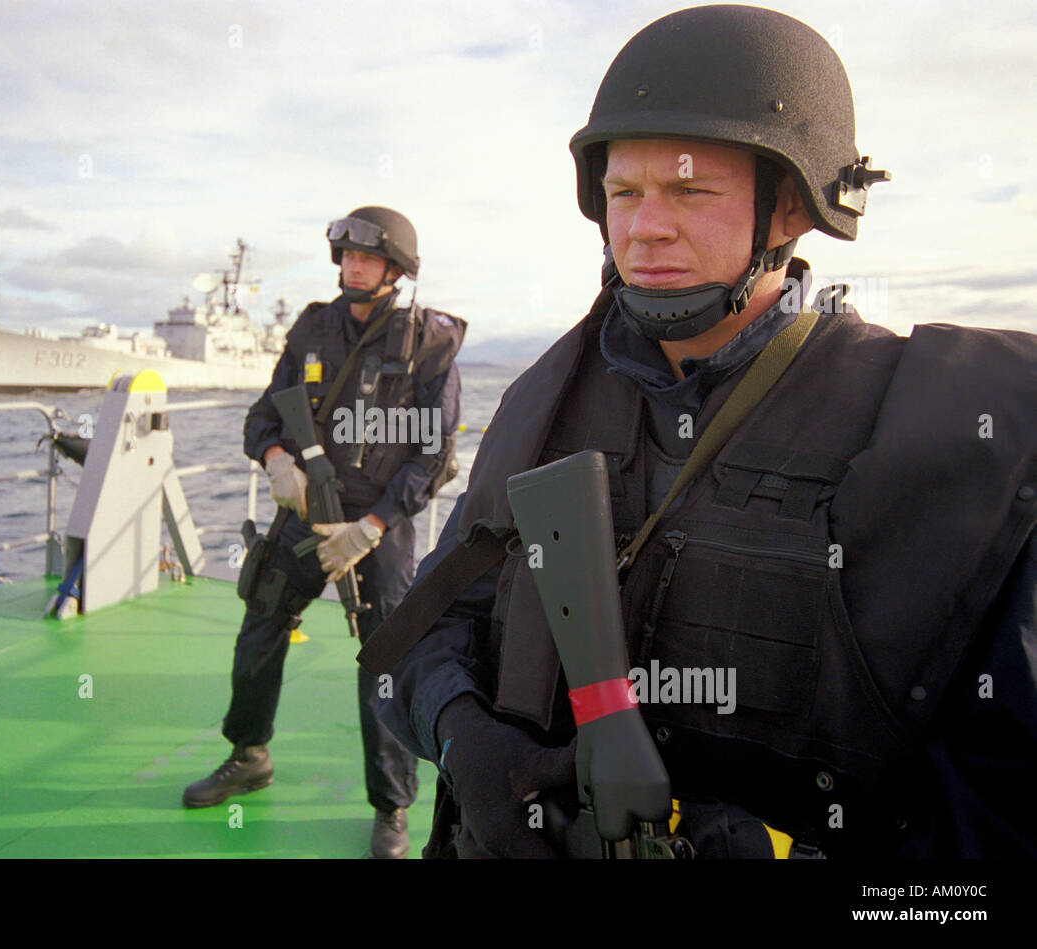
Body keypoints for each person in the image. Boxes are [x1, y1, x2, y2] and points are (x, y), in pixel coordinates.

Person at [372, 5, 1037, 858]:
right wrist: (465, 738)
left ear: (792, 208)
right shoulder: (549, 397)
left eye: (689, 190)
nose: (644, 226)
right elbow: (424, 630)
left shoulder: (952, 445)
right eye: (623, 193)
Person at [181, 207, 465, 858]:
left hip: (376, 525)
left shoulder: (429, 343)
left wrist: (371, 527)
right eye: (343, 256)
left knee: (383, 664)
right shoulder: (313, 327)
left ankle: (391, 805)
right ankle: (248, 752)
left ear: (396, 267)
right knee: (260, 622)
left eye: (365, 257)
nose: (351, 267)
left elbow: (434, 455)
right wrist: (276, 459)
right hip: (306, 515)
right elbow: (264, 415)